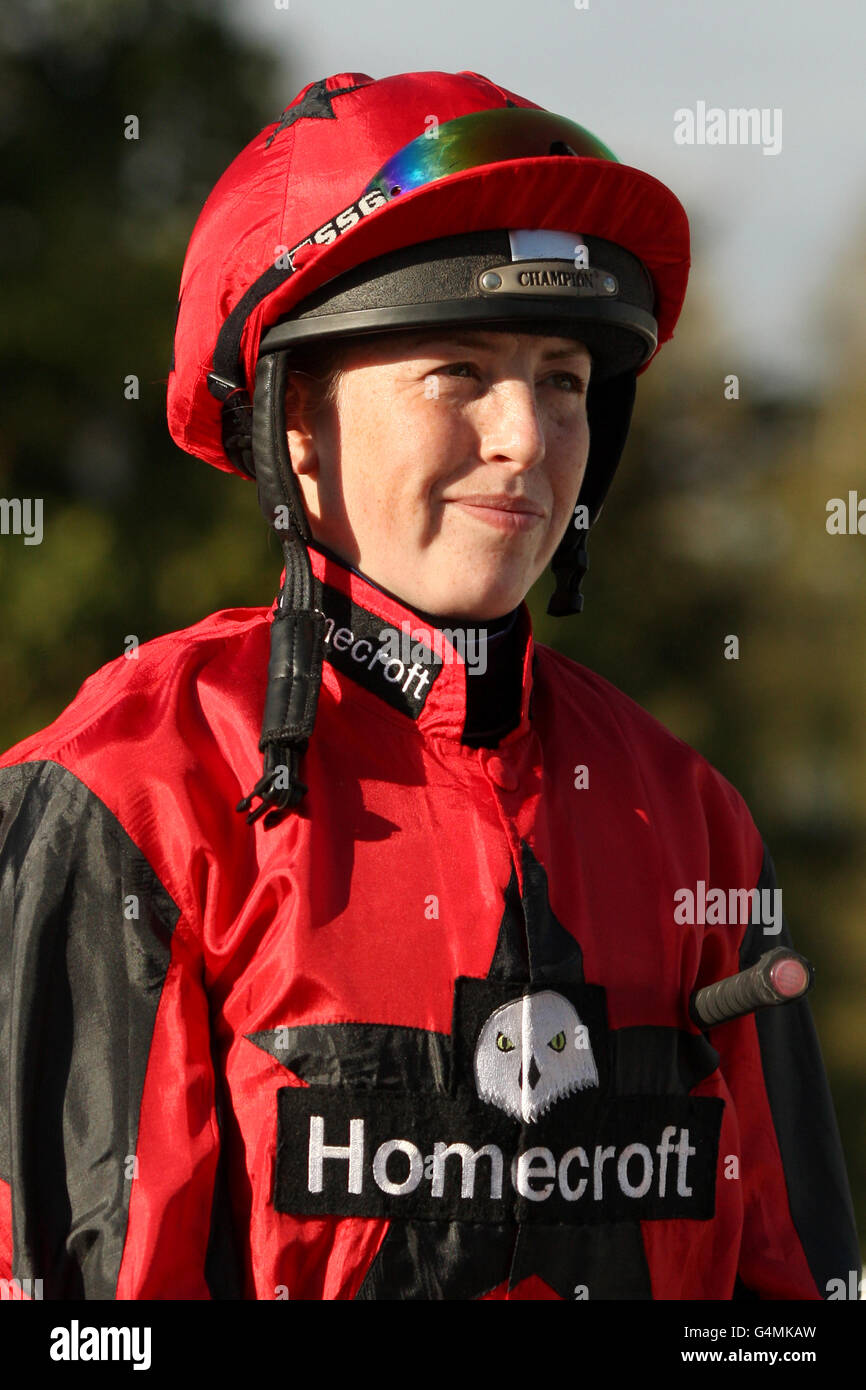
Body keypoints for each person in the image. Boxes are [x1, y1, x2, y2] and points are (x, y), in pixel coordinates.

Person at [0, 68, 858, 1301]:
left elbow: (791, 1302)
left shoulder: (689, 815)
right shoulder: (130, 791)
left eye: (562, 378)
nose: (525, 436)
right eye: (457, 372)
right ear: (296, 420)